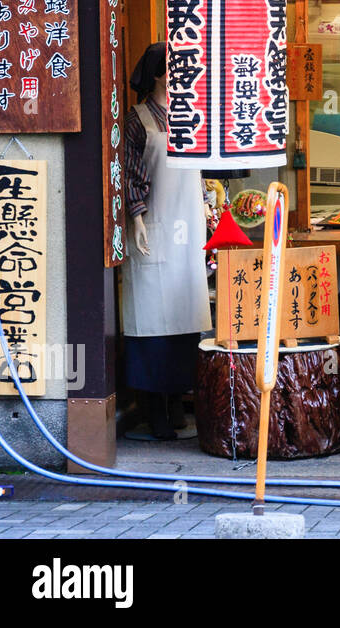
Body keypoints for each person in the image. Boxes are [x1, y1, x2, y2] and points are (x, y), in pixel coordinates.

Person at [121, 43, 211, 440]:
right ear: (158, 73)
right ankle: (155, 410)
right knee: (152, 323)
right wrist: (137, 218)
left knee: (184, 319)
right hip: (153, 230)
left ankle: (177, 406)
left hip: (187, 229)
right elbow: (131, 173)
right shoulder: (137, 119)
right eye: (175, 67)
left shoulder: (189, 116)